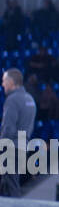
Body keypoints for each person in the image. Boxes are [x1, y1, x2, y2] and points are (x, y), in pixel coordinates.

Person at [0, 69, 37, 197]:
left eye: (4, 81)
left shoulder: (12, 100)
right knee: (9, 183)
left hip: (10, 148)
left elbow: (8, 129)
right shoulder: (30, 99)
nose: (2, 84)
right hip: (22, 146)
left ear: (11, 82)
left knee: (11, 186)